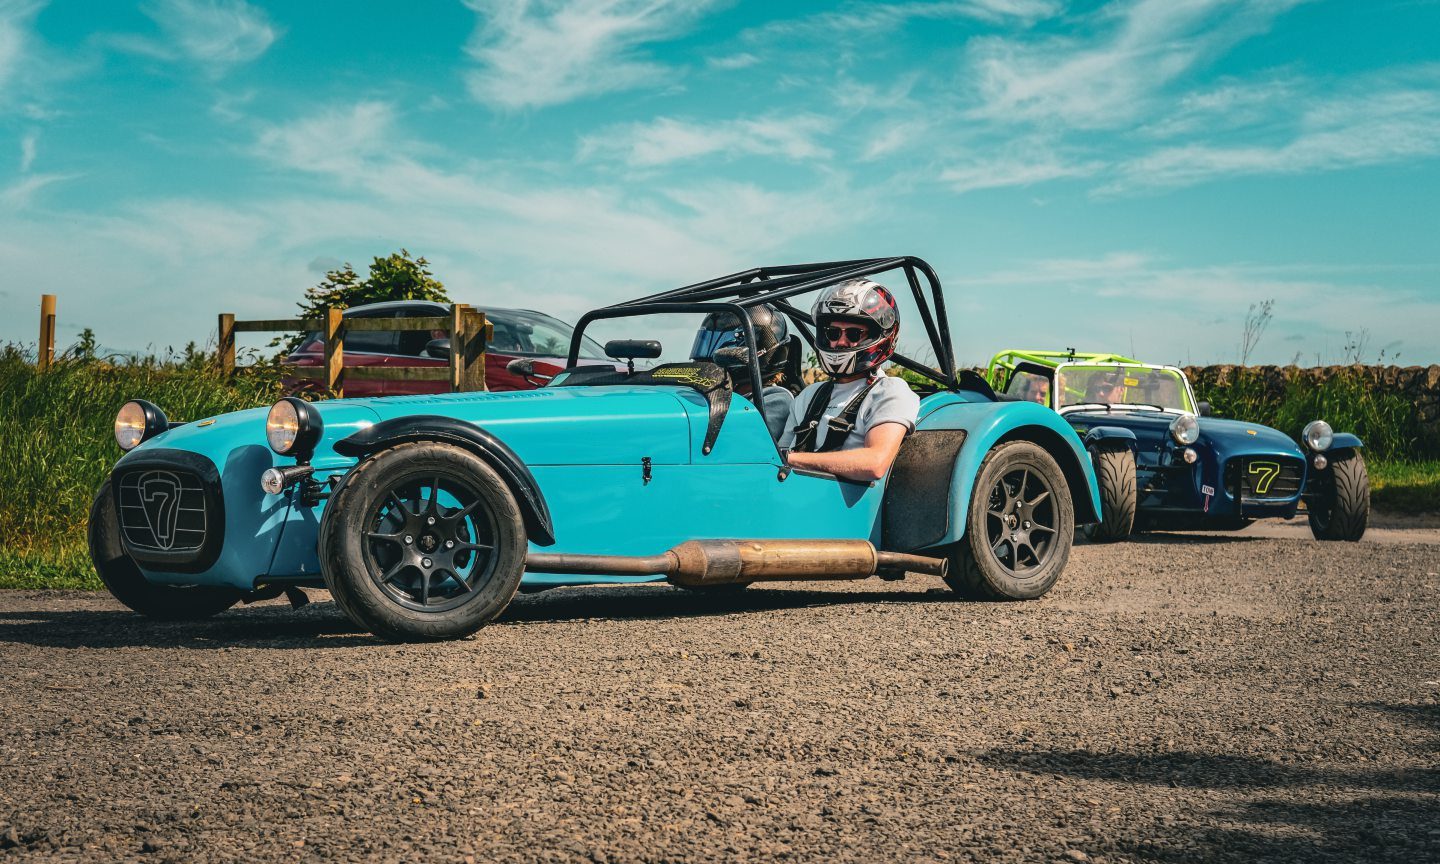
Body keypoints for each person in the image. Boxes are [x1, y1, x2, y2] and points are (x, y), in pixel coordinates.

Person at [778, 279, 920, 482]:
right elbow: (778, 457)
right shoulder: (810, 395)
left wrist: (794, 459)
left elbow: (875, 463)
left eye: (854, 334)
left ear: (877, 337)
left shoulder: (890, 392)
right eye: (833, 333)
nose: (841, 342)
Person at [690, 304, 795, 440]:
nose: (709, 358)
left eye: (724, 345)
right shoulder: (710, 393)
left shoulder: (776, 399)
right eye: (707, 340)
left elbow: (746, 444)